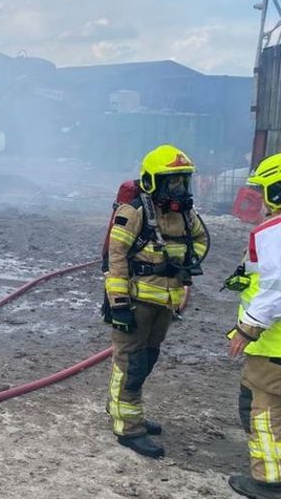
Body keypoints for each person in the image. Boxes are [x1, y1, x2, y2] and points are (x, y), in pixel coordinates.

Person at [104, 144, 208, 458]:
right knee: (132, 364)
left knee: (147, 360)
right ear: (152, 181)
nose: (177, 189)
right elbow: (116, 259)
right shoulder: (134, 211)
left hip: (165, 302)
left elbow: (201, 241)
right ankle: (128, 428)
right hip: (135, 302)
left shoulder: (185, 214)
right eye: (171, 182)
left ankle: (122, 410)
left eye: (182, 181)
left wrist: (184, 265)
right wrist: (118, 304)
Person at [228, 152, 281, 499]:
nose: (259, 201)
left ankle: (267, 482)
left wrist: (248, 328)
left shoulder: (273, 232)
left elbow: (275, 287)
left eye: (264, 192)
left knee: (263, 410)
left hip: (273, 345)